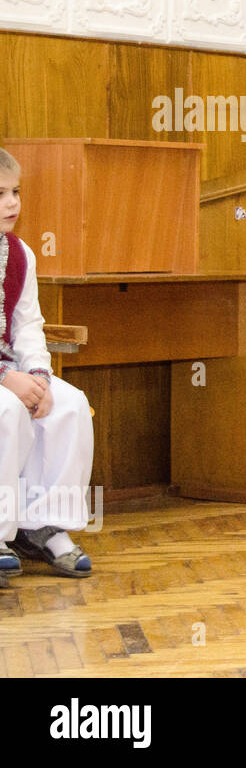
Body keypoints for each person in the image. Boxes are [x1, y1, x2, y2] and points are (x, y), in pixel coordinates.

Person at [0, 147, 95, 586]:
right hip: (3, 377)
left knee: (70, 405)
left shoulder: (20, 254)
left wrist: (38, 375)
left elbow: (28, 326)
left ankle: (41, 525)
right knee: (7, 409)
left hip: (15, 370)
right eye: (1, 194)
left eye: (16, 191)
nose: (13, 203)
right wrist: (7, 378)